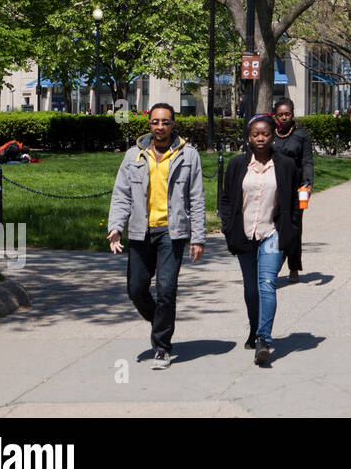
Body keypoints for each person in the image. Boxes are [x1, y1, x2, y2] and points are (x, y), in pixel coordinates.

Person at [106, 103, 205, 371]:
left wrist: (198, 237)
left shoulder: (188, 156)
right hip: (140, 232)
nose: (160, 127)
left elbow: (196, 198)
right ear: (148, 124)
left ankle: (162, 346)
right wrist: (115, 227)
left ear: (173, 124)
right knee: (136, 289)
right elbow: (121, 195)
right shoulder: (133, 156)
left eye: (165, 122)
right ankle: (160, 321)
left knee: (166, 290)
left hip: (171, 233)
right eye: (155, 122)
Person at [218, 114, 301, 367]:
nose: (261, 138)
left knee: (267, 285)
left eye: (265, 133)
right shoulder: (236, 165)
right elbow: (226, 199)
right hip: (244, 235)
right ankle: (254, 329)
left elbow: (294, 202)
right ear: (249, 138)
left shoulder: (285, 166)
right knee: (251, 289)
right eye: (255, 134)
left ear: (273, 136)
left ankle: (264, 339)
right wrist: (227, 227)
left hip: (271, 234)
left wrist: (290, 229)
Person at [271, 98, 313, 284]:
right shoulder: (270, 134)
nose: (284, 117)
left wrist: (308, 183)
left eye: (287, 113)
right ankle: (273, 261)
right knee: (276, 226)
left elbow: (307, 161)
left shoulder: (301, 135)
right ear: (275, 115)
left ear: (293, 113)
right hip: (274, 186)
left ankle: (293, 266)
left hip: (296, 187)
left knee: (294, 226)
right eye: (281, 114)